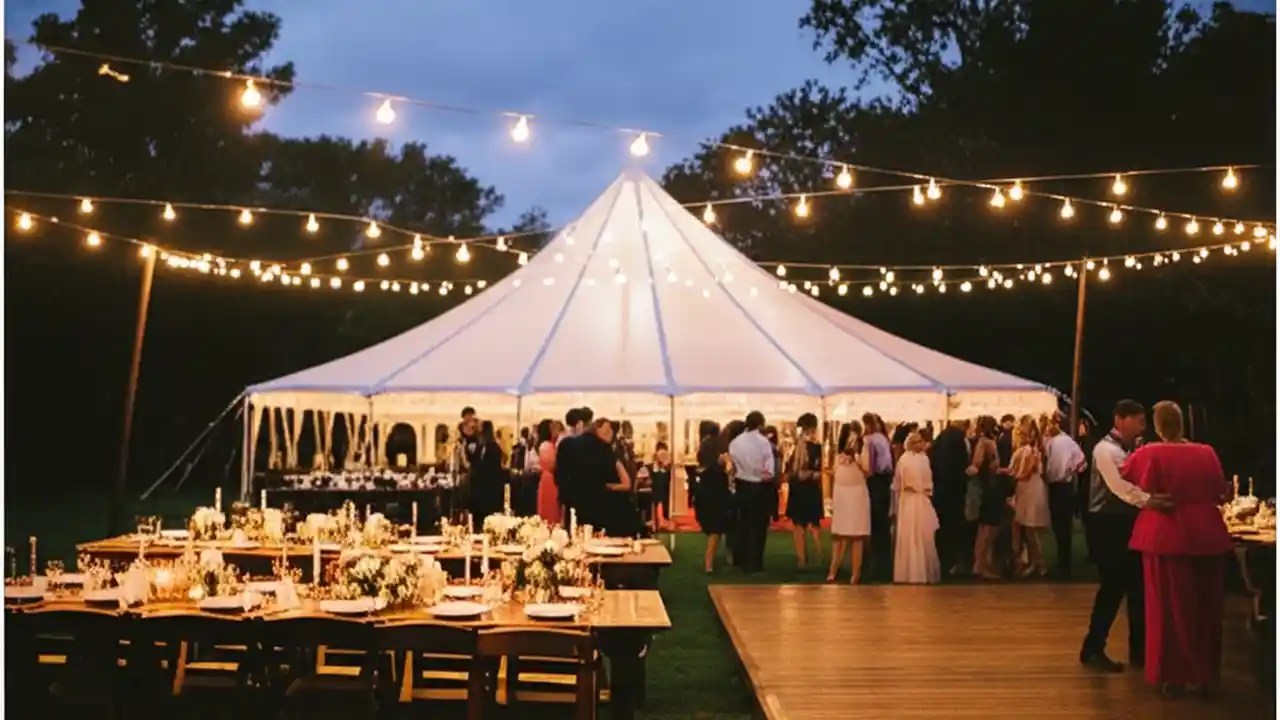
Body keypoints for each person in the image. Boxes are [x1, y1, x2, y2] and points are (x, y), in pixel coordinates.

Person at [1124, 401, 1232, 695]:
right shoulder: (1205, 452)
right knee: (1206, 607)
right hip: (1206, 533)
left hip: (1165, 535)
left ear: (1158, 426)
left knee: (1167, 609)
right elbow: (1219, 491)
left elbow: (1129, 476)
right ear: (1182, 423)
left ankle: (1173, 675)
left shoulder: (1149, 453)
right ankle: (1205, 673)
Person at [1080, 400, 1174, 673]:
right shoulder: (1106, 450)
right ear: (1120, 419)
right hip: (1108, 524)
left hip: (1124, 523)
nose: (1143, 426)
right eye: (1139, 420)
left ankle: (1140, 650)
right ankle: (1093, 647)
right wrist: (1149, 500)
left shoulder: (1130, 448)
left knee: (1137, 586)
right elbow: (1120, 486)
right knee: (1112, 587)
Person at [729, 411, 775, 574]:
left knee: (743, 524)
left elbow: (734, 463)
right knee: (759, 526)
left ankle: (740, 559)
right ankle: (755, 562)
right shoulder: (763, 442)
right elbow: (769, 466)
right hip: (759, 486)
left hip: (742, 485)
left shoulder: (735, 442)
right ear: (761, 424)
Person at [577, 418, 639, 537]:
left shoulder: (612, 455)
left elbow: (627, 484)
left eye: (610, 429)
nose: (609, 432)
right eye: (605, 429)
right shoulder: (605, 454)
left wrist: (608, 487)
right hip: (601, 510)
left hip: (613, 509)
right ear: (597, 431)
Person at [893, 432, 941, 584]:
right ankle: (911, 571)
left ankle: (918, 571)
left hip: (917, 499)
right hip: (911, 499)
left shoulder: (921, 459)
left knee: (921, 533)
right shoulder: (908, 459)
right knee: (911, 533)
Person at [1044, 417, 1086, 577]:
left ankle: (1063, 563)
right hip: (1065, 486)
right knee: (1064, 526)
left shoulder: (1050, 442)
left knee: (1058, 525)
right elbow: (1082, 465)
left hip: (1055, 486)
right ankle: (1064, 563)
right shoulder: (1069, 442)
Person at [828, 421, 871, 583]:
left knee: (857, 535)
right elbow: (832, 469)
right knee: (839, 535)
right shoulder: (837, 451)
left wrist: (857, 459)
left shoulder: (863, 447)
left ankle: (856, 572)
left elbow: (868, 470)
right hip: (842, 491)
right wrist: (841, 461)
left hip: (857, 491)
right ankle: (833, 570)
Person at [929, 419, 971, 577]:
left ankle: (942, 562)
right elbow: (963, 464)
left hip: (940, 491)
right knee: (956, 528)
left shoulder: (940, 442)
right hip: (956, 492)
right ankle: (955, 562)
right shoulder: (959, 442)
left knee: (942, 529)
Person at [1010, 415, 1050, 577]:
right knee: (1028, 529)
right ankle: (1033, 561)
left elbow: (1024, 473)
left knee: (1031, 529)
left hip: (1030, 489)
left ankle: (1039, 563)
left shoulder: (1028, 451)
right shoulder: (1037, 449)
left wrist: (1008, 473)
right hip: (1031, 488)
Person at [786, 413, 824, 570]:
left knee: (798, 526)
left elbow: (789, 471)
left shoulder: (796, 447)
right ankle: (820, 556)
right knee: (814, 525)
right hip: (812, 489)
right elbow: (818, 471)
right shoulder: (817, 447)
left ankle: (801, 559)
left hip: (797, 489)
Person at [967, 415, 1003, 580]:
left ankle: (981, 564)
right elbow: (977, 463)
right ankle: (980, 565)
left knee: (987, 528)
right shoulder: (985, 442)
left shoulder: (985, 441)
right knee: (987, 529)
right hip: (989, 488)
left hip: (989, 487)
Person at [862, 413, 894, 582]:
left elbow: (870, 466)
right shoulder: (884, 439)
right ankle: (885, 563)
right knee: (883, 525)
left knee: (874, 524)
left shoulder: (870, 440)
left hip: (875, 482)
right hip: (885, 482)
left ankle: (873, 565)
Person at [695, 421, 730, 574]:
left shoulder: (703, 446)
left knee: (713, 529)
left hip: (705, 491)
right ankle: (709, 563)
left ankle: (711, 562)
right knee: (717, 529)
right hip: (718, 491)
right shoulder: (720, 446)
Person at [469, 420, 506, 530]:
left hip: (489, 492)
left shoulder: (494, 448)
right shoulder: (480, 447)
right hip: (478, 493)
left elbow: (492, 469)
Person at [555, 407, 591, 520]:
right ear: (579, 423)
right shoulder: (570, 441)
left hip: (566, 486)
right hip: (573, 487)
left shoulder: (563, 438)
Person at [536, 419, 562, 525]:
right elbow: (552, 464)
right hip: (550, 480)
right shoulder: (546, 446)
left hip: (549, 479)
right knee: (550, 508)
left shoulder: (550, 445)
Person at [650, 442, 673, 532]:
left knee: (658, 499)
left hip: (657, 476)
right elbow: (666, 464)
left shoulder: (656, 456)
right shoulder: (664, 454)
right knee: (660, 499)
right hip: (661, 476)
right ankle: (660, 520)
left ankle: (659, 520)